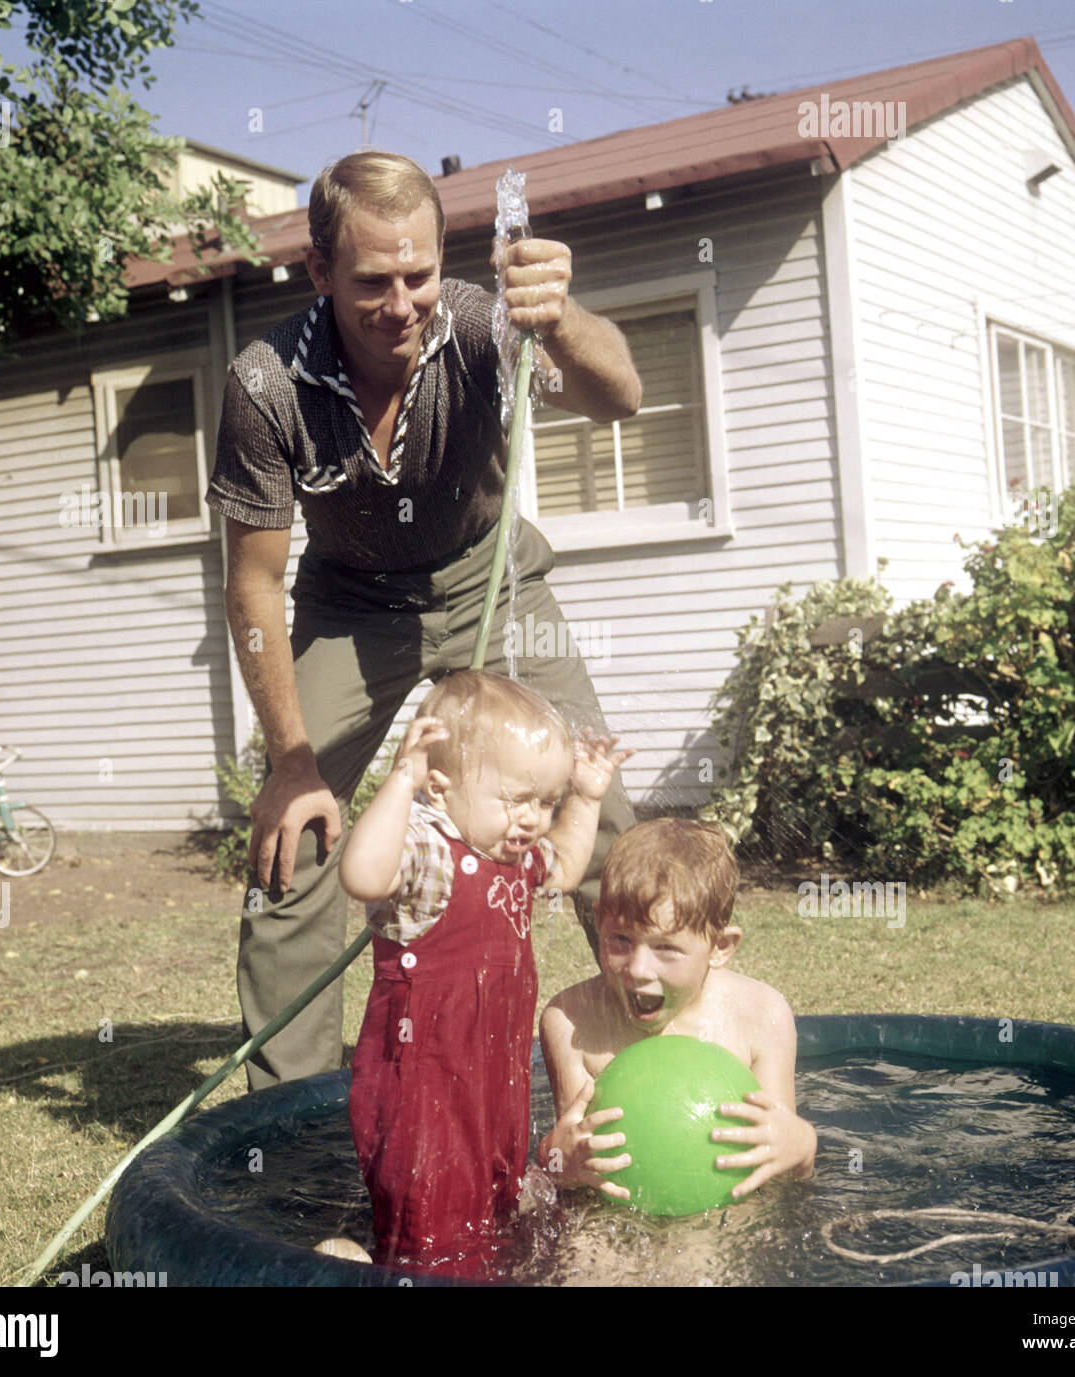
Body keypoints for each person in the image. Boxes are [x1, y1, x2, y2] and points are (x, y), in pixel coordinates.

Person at [204, 151, 641, 1090]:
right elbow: (251, 587)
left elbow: (622, 398)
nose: (401, 304)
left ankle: (656, 1059)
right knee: (298, 837)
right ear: (318, 270)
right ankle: (293, 1125)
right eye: (371, 281)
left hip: (494, 579)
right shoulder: (264, 383)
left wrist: (560, 320)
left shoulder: (489, 327)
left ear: (446, 259)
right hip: (351, 602)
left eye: (420, 275)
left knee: (605, 823)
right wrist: (289, 760)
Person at [339, 670, 632, 1273]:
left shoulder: (514, 856)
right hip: (421, 1086)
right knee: (430, 1213)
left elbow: (569, 868)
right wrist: (400, 782)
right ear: (440, 787)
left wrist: (588, 797)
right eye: (516, 799)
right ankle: (374, 1268)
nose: (533, 819)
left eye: (545, 803)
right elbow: (363, 876)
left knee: (497, 1201)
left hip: (492, 1079)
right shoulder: (426, 849)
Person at [538, 818, 817, 1203]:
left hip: (727, 1211)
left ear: (721, 946)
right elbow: (566, 1171)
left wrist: (803, 1147)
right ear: (598, 919)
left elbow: (780, 1171)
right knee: (588, 1254)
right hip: (613, 1212)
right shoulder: (571, 1021)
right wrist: (558, 1161)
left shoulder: (760, 1015)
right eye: (620, 939)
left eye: (666, 948)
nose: (637, 969)